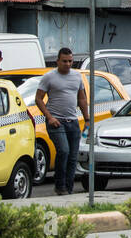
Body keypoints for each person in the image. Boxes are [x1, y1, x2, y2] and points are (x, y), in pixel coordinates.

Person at [35, 48, 90, 196]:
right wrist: (49, 117)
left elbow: (82, 98)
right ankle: (60, 185)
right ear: (58, 61)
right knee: (63, 151)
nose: (67, 64)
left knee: (73, 156)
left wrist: (87, 119)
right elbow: (38, 99)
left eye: (70, 61)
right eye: (64, 61)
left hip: (72, 121)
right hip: (56, 121)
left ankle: (68, 188)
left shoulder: (77, 77)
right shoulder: (49, 77)